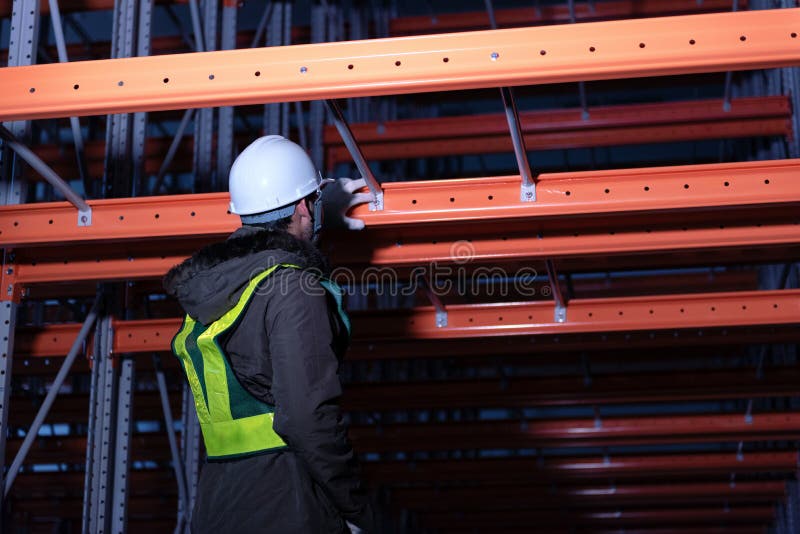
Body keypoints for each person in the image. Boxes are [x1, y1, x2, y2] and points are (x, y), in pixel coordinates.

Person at [163, 135, 375, 533]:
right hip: (289, 505)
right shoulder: (294, 288)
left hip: (219, 506)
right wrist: (359, 510)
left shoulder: (216, 289)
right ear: (302, 208)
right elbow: (308, 419)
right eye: (313, 203)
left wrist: (313, 210)